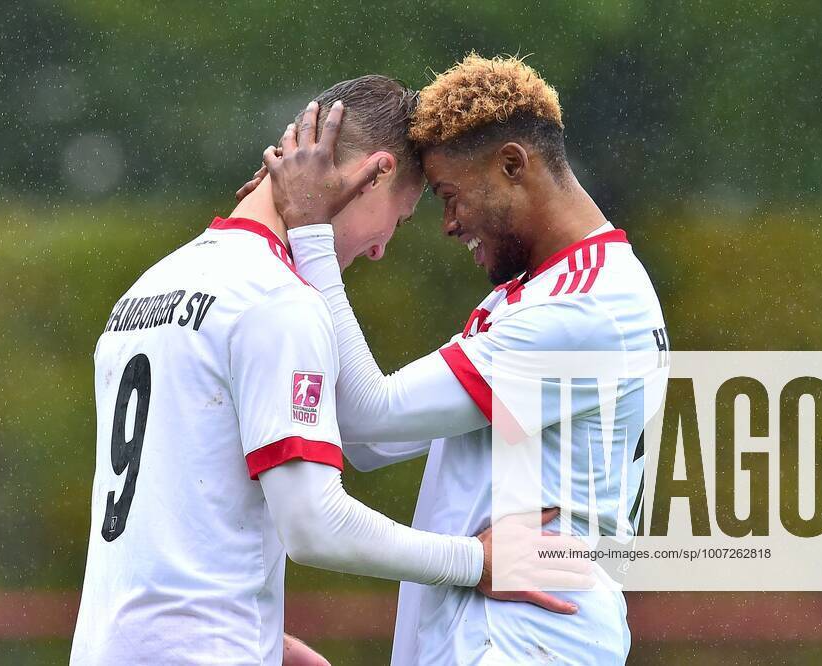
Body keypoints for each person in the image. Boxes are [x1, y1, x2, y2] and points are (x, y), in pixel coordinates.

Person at [70, 74, 587, 666]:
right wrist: (477, 561)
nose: (379, 248)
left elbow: (170, 517)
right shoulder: (277, 301)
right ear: (375, 175)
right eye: (403, 214)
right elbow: (314, 524)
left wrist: (266, 634)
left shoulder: (146, 292)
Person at [254, 54, 669, 664]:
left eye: (451, 196)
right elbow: (368, 444)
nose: (449, 223)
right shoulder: (533, 294)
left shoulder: (585, 305)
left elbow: (372, 416)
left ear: (511, 165)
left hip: (526, 638)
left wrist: (311, 232)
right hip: (501, 633)